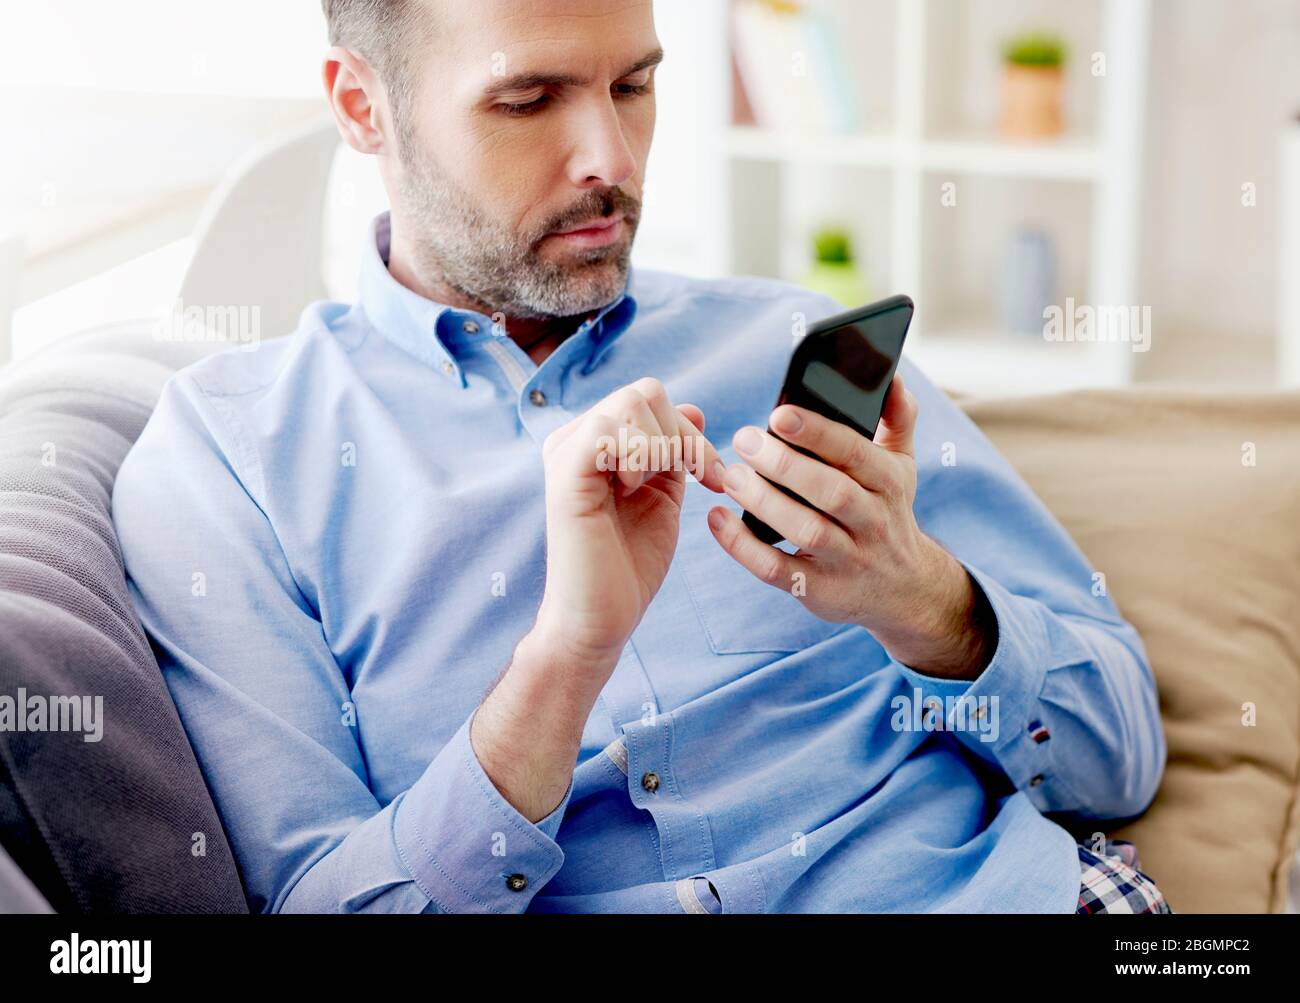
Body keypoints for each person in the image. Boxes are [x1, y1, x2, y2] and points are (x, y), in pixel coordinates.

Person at [111, 0, 1169, 914]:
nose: (611, 161)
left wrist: (926, 602)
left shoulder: (792, 346)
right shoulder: (228, 459)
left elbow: (1116, 756)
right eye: (526, 101)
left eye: (634, 85)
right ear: (361, 106)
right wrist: (565, 658)